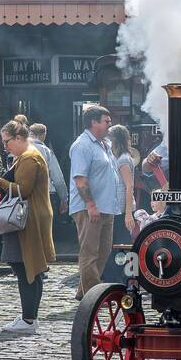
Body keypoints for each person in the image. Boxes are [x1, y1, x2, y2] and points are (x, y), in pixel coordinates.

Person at [0, 121, 54, 333]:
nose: (5, 146)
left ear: (19, 138)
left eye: (7, 141)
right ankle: (30, 316)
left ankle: (28, 319)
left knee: (26, 269)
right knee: (30, 269)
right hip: (30, 217)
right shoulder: (27, 156)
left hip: (28, 220)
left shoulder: (29, 157)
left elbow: (23, 190)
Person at [69, 105, 122, 299]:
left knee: (104, 251)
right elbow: (80, 179)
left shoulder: (104, 144)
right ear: (94, 122)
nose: (110, 124)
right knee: (89, 252)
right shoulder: (82, 145)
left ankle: (84, 293)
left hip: (106, 207)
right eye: (106, 121)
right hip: (89, 208)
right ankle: (92, 295)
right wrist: (91, 205)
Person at [101, 124, 138, 283]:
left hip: (123, 208)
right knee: (117, 243)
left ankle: (129, 276)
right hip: (118, 207)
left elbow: (129, 185)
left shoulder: (123, 159)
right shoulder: (117, 157)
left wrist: (128, 213)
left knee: (123, 244)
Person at [29, 123, 69, 214]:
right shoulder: (46, 151)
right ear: (43, 134)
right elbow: (58, 178)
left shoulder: (20, 149)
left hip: (25, 195)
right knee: (46, 226)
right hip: (45, 194)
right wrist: (64, 199)